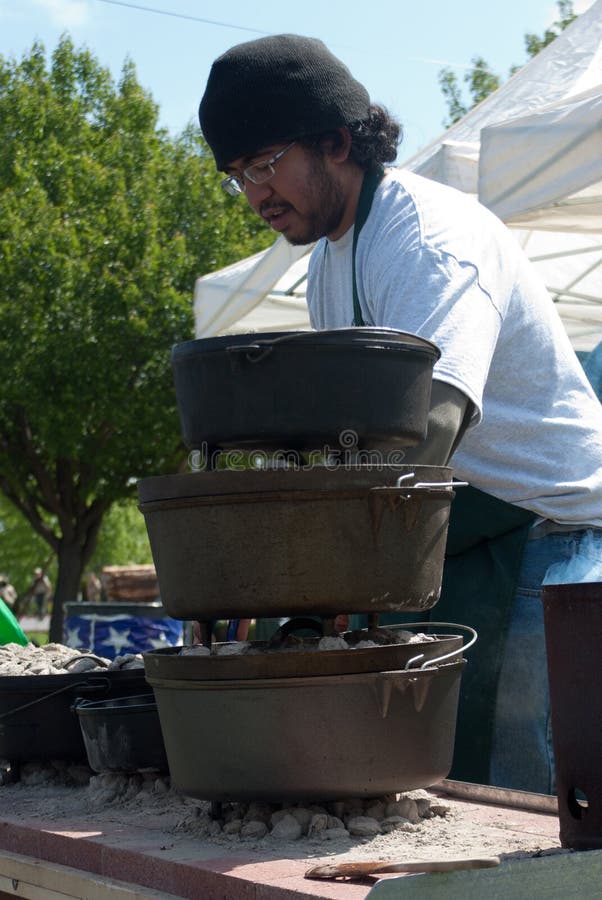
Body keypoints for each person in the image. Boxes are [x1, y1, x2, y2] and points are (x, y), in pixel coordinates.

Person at [197, 34, 602, 795]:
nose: (254, 194)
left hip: (555, 532)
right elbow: (355, 439)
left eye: (264, 163)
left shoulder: (427, 240)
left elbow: (432, 424)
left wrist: (334, 580)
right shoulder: (326, 266)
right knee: (445, 774)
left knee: (523, 789)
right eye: (236, 175)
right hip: (458, 533)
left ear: (337, 140)